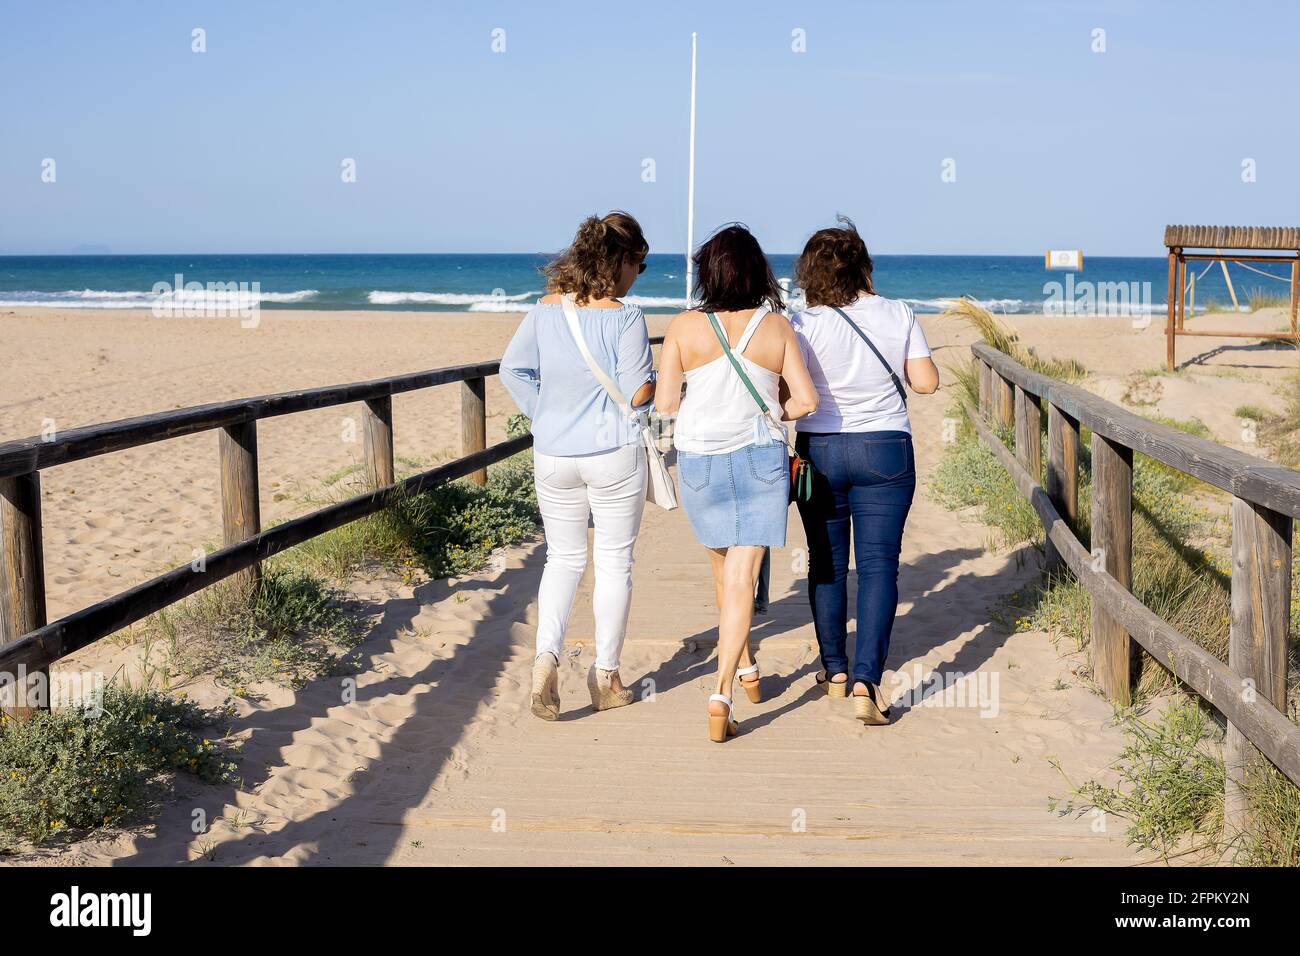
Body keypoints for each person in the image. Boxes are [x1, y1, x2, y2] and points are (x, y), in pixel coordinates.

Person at [655, 224, 819, 742]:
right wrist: (773, 409)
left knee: (723, 573)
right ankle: (724, 689)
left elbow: (665, 404)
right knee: (743, 577)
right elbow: (807, 401)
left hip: (700, 459)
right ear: (756, 270)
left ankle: (743, 669)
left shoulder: (684, 326)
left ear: (708, 272)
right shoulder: (776, 327)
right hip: (759, 458)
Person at [500, 211, 655, 721]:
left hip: (554, 454)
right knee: (613, 562)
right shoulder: (625, 317)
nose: (638, 276)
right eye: (639, 265)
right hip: (613, 454)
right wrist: (655, 387)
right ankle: (605, 676)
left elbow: (512, 369)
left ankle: (546, 660)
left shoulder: (545, 310)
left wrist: (544, 415)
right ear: (622, 260)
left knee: (562, 559)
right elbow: (637, 393)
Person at [789, 217, 939, 725]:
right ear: (863, 267)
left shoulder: (801, 322)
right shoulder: (898, 313)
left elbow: (787, 391)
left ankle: (834, 670)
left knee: (826, 562)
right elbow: (925, 383)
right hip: (885, 448)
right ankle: (866, 682)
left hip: (821, 448)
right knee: (878, 566)